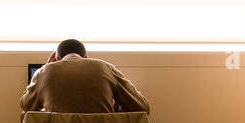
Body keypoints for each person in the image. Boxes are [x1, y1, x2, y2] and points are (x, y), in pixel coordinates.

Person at [21, 39, 150, 115]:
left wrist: (46, 67)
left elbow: (26, 105)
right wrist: (115, 106)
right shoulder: (105, 67)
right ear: (86, 57)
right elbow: (142, 106)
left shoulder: (45, 71)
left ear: (57, 59)